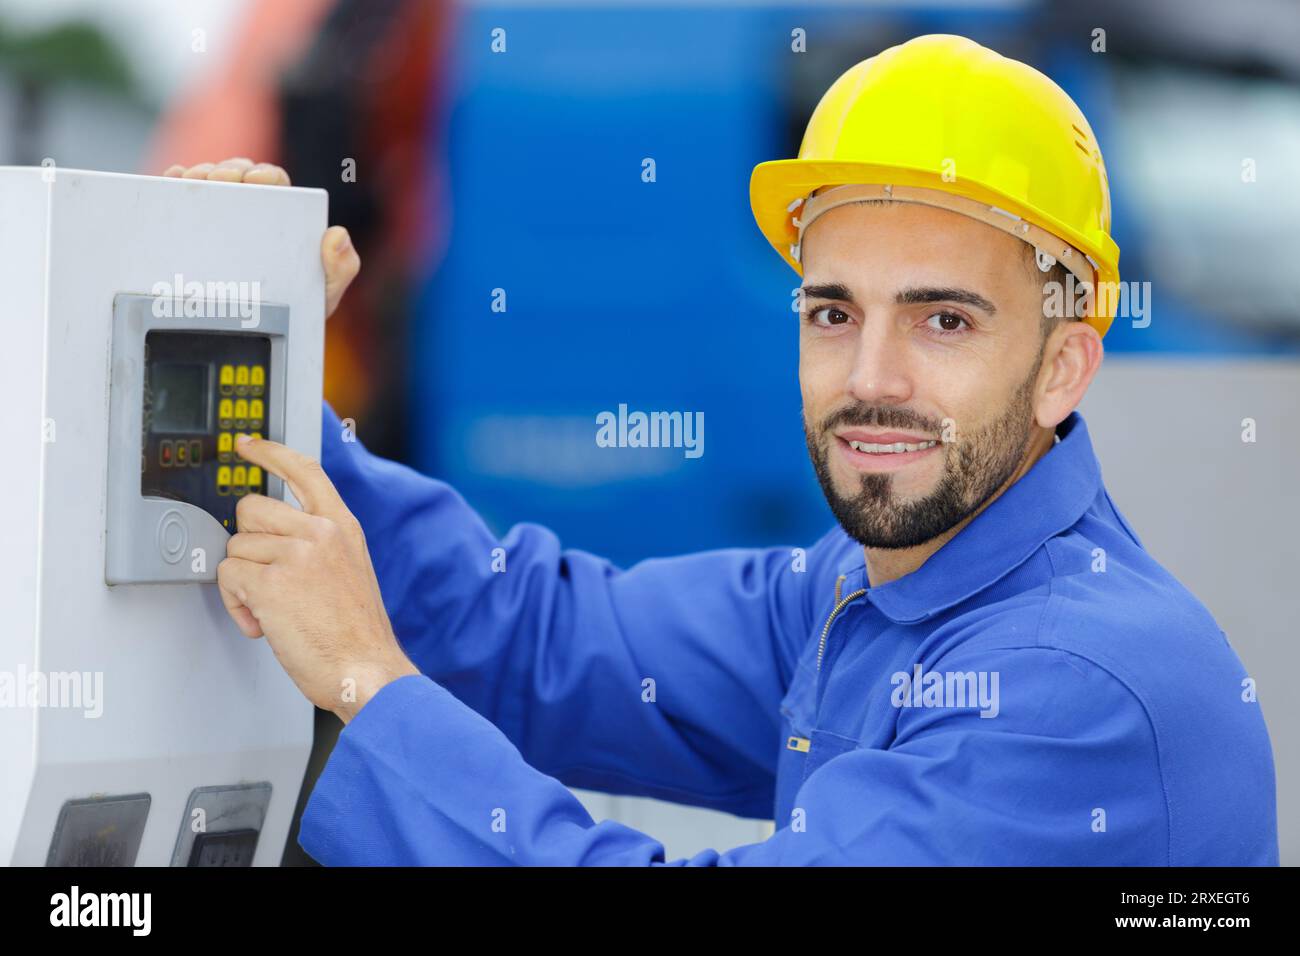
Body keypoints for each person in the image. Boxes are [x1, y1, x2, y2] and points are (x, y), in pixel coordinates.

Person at [168, 34, 1278, 865]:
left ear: (1064, 366)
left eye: (944, 319)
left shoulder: (1072, 689)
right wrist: (259, 383)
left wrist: (369, 682)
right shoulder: (870, 595)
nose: (871, 377)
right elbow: (540, 636)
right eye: (834, 312)